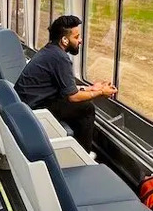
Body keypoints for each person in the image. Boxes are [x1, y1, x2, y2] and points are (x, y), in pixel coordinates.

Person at [14, 15, 116, 152]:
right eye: (76, 37)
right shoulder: (60, 58)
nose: (80, 40)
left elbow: (65, 87)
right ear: (64, 40)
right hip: (34, 109)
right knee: (86, 109)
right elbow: (72, 96)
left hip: (26, 103)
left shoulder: (50, 51)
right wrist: (101, 92)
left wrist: (90, 88)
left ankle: (74, 145)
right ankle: (83, 154)